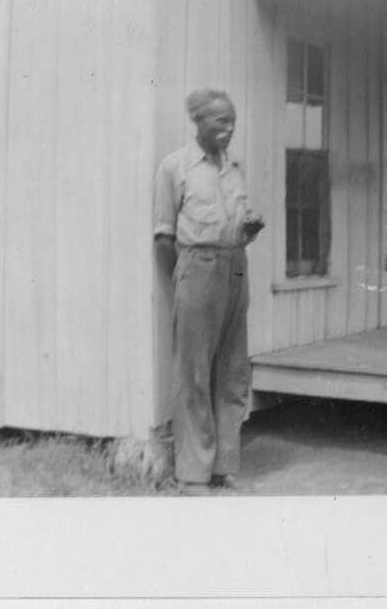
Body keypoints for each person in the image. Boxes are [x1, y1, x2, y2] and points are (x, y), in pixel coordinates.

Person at [154, 88, 264, 496]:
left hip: (236, 267)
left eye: (232, 121)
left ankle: (224, 465)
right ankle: (193, 474)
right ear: (198, 121)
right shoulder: (174, 167)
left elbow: (232, 220)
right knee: (194, 375)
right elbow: (164, 237)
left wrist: (246, 230)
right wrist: (181, 283)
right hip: (196, 270)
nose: (229, 128)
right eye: (220, 120)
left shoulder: (234, 166)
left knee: (232, 372)